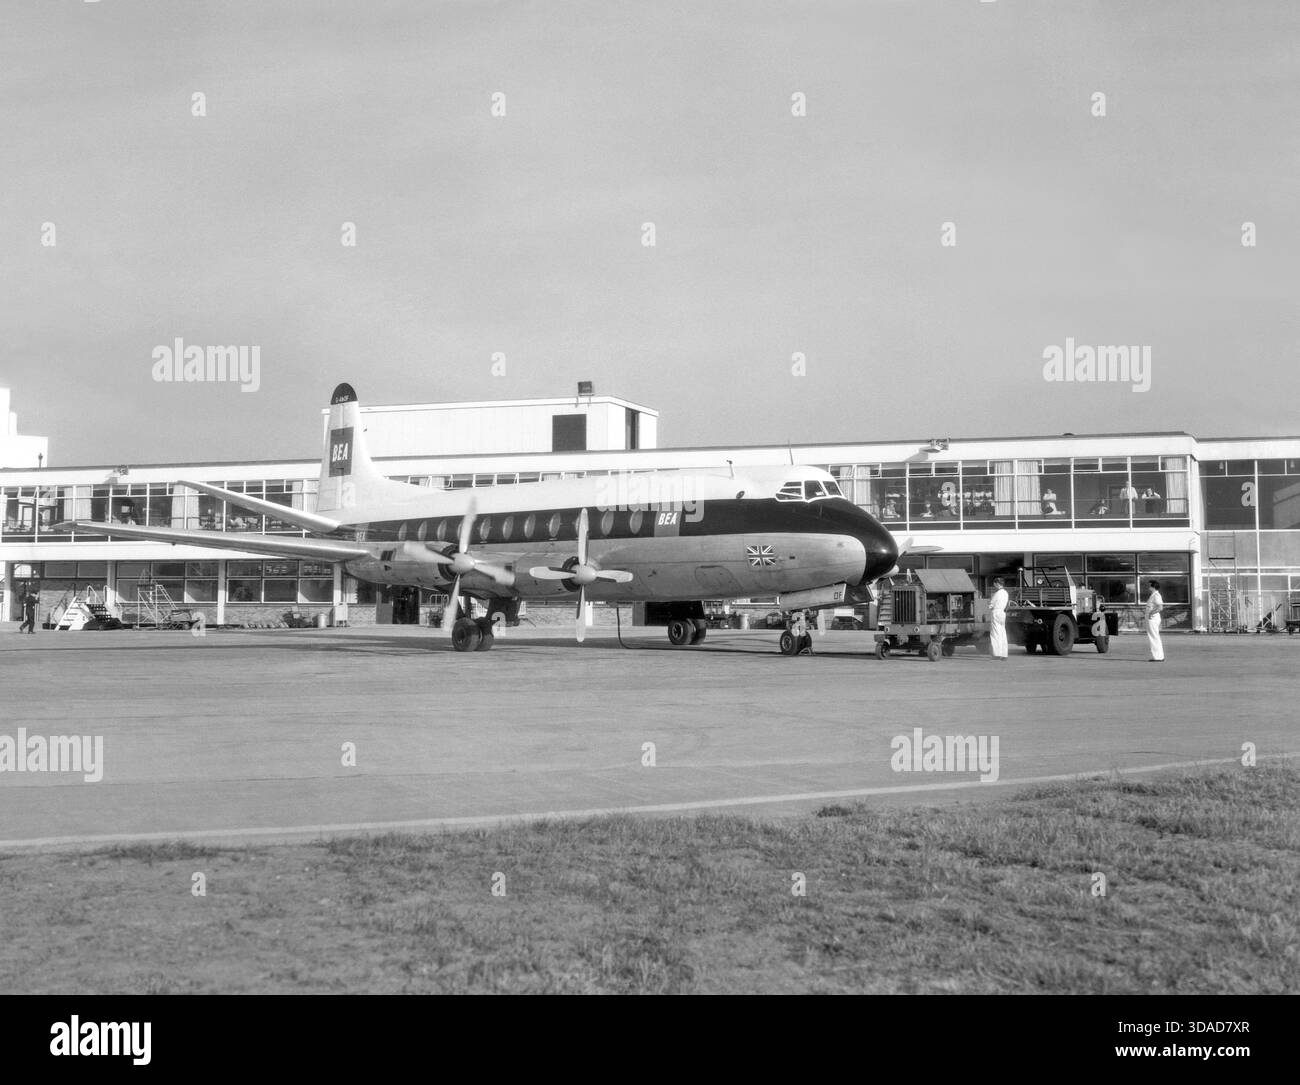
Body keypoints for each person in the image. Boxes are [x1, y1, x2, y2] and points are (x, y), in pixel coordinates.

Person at [988, 576, 1009, 660]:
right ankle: (1004, 655)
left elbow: (991, 604)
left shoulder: (997, 593)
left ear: (997, 584)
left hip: (996, 612)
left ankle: (996, 654)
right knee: (1003, 633)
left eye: (994, 584)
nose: (994, 586)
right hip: (1002, 613)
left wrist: (989, 605)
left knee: (995, 634)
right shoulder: (1006, 593)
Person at [1145, 579, 1164, 662]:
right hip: (1152, 618)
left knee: (1153, 637)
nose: (1148, 587)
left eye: (1150, 585)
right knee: (1154, 636)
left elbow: (1160, 607)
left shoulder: (1156, 595)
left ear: (1153, 587)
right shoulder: (1153, 595)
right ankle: (1158, 655)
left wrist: (1151, 613)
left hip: (1152, 618)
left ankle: (1157, 656)